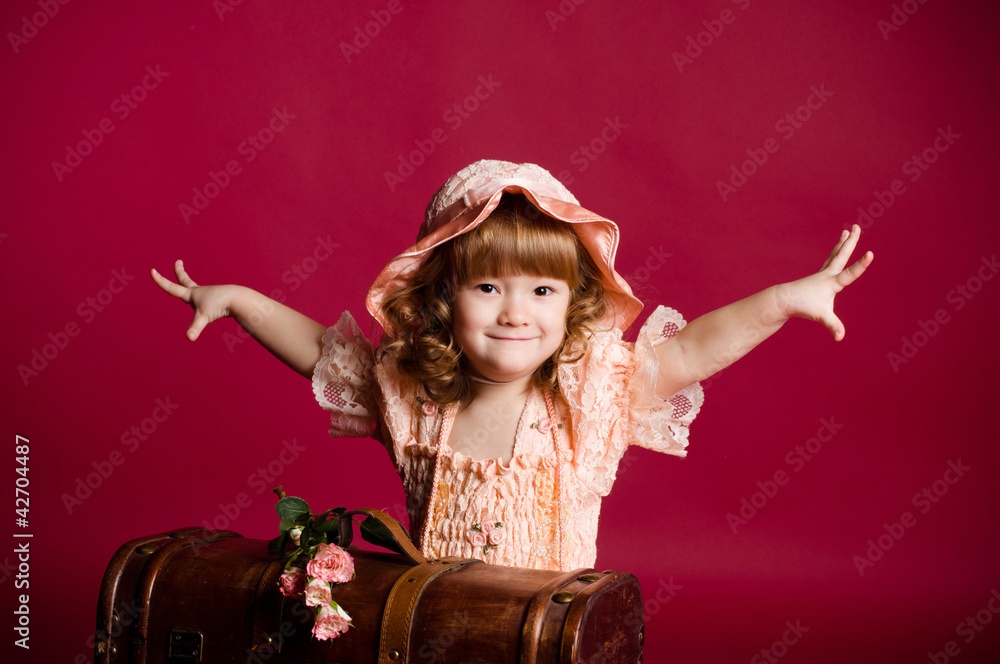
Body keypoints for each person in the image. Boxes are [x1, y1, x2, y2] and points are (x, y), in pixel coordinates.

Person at [152, 159, 872, 571]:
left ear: (572, 303)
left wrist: (784, 300)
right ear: (440, 298)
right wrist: (240, 300)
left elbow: (687, 350)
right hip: (436, 629)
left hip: (547, 636)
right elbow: (319, 350)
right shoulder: (412, 392)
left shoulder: (590, 394)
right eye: (487, 287)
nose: (514, 313)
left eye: (542, 290)